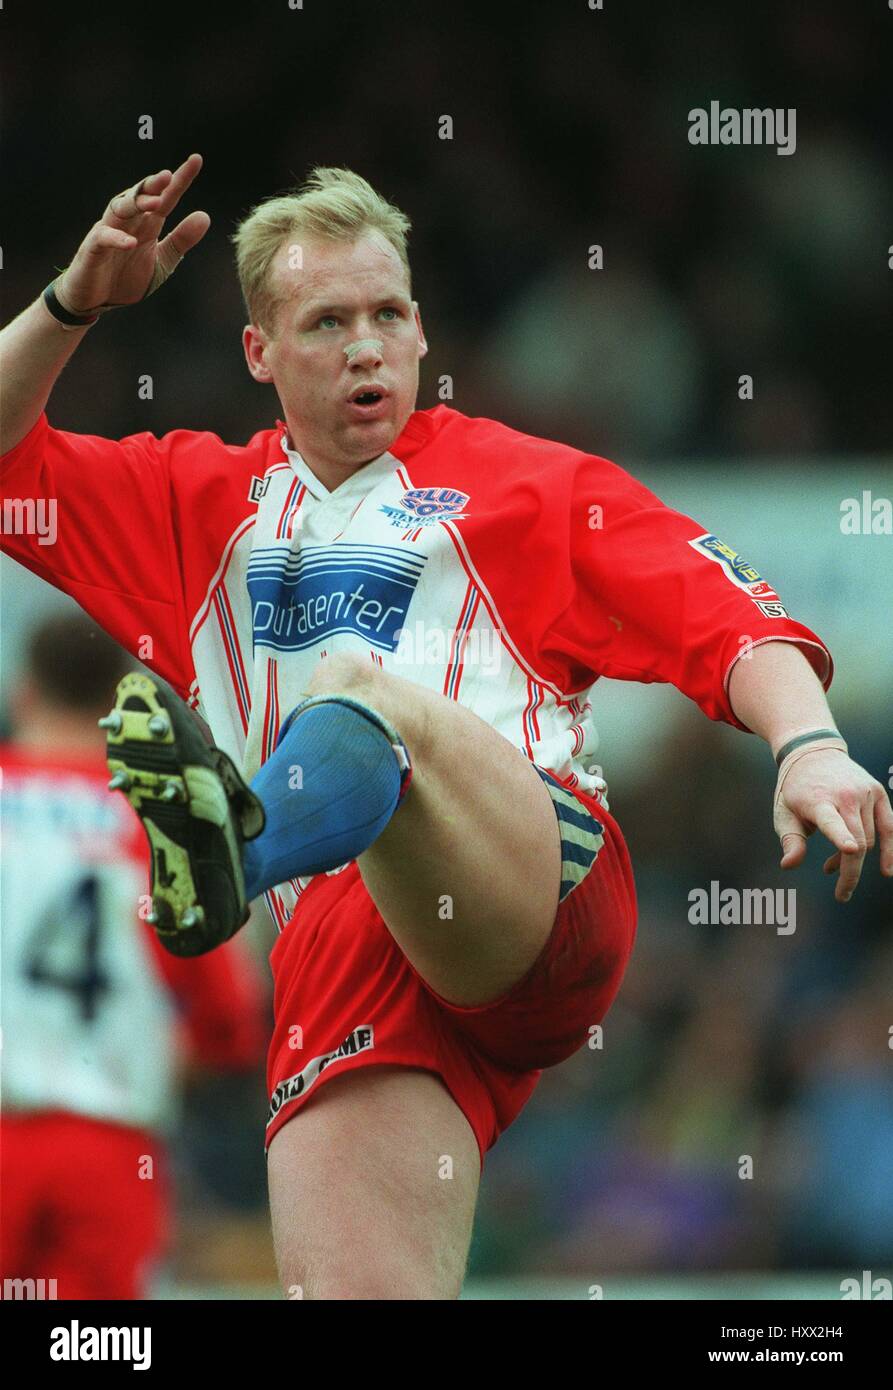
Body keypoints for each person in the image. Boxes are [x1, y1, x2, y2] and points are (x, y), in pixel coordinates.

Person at [1, 154, 890, 1300]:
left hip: (531, 879)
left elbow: (727, 621)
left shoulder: (527, 483)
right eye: (326, 321)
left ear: (421, 333)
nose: (366, 345)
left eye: (388, 314)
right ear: (258, 354)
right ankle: (241, 850)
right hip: (342, 942)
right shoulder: (188, 504)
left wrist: (808, 744)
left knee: (358, 693)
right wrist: (71, 304)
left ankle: (231, 849)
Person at [0, 613, 266, 1299]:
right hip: (109, 1147)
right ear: (121, 706)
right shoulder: (159, 831)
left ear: (24, 693)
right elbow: (228, 1018)